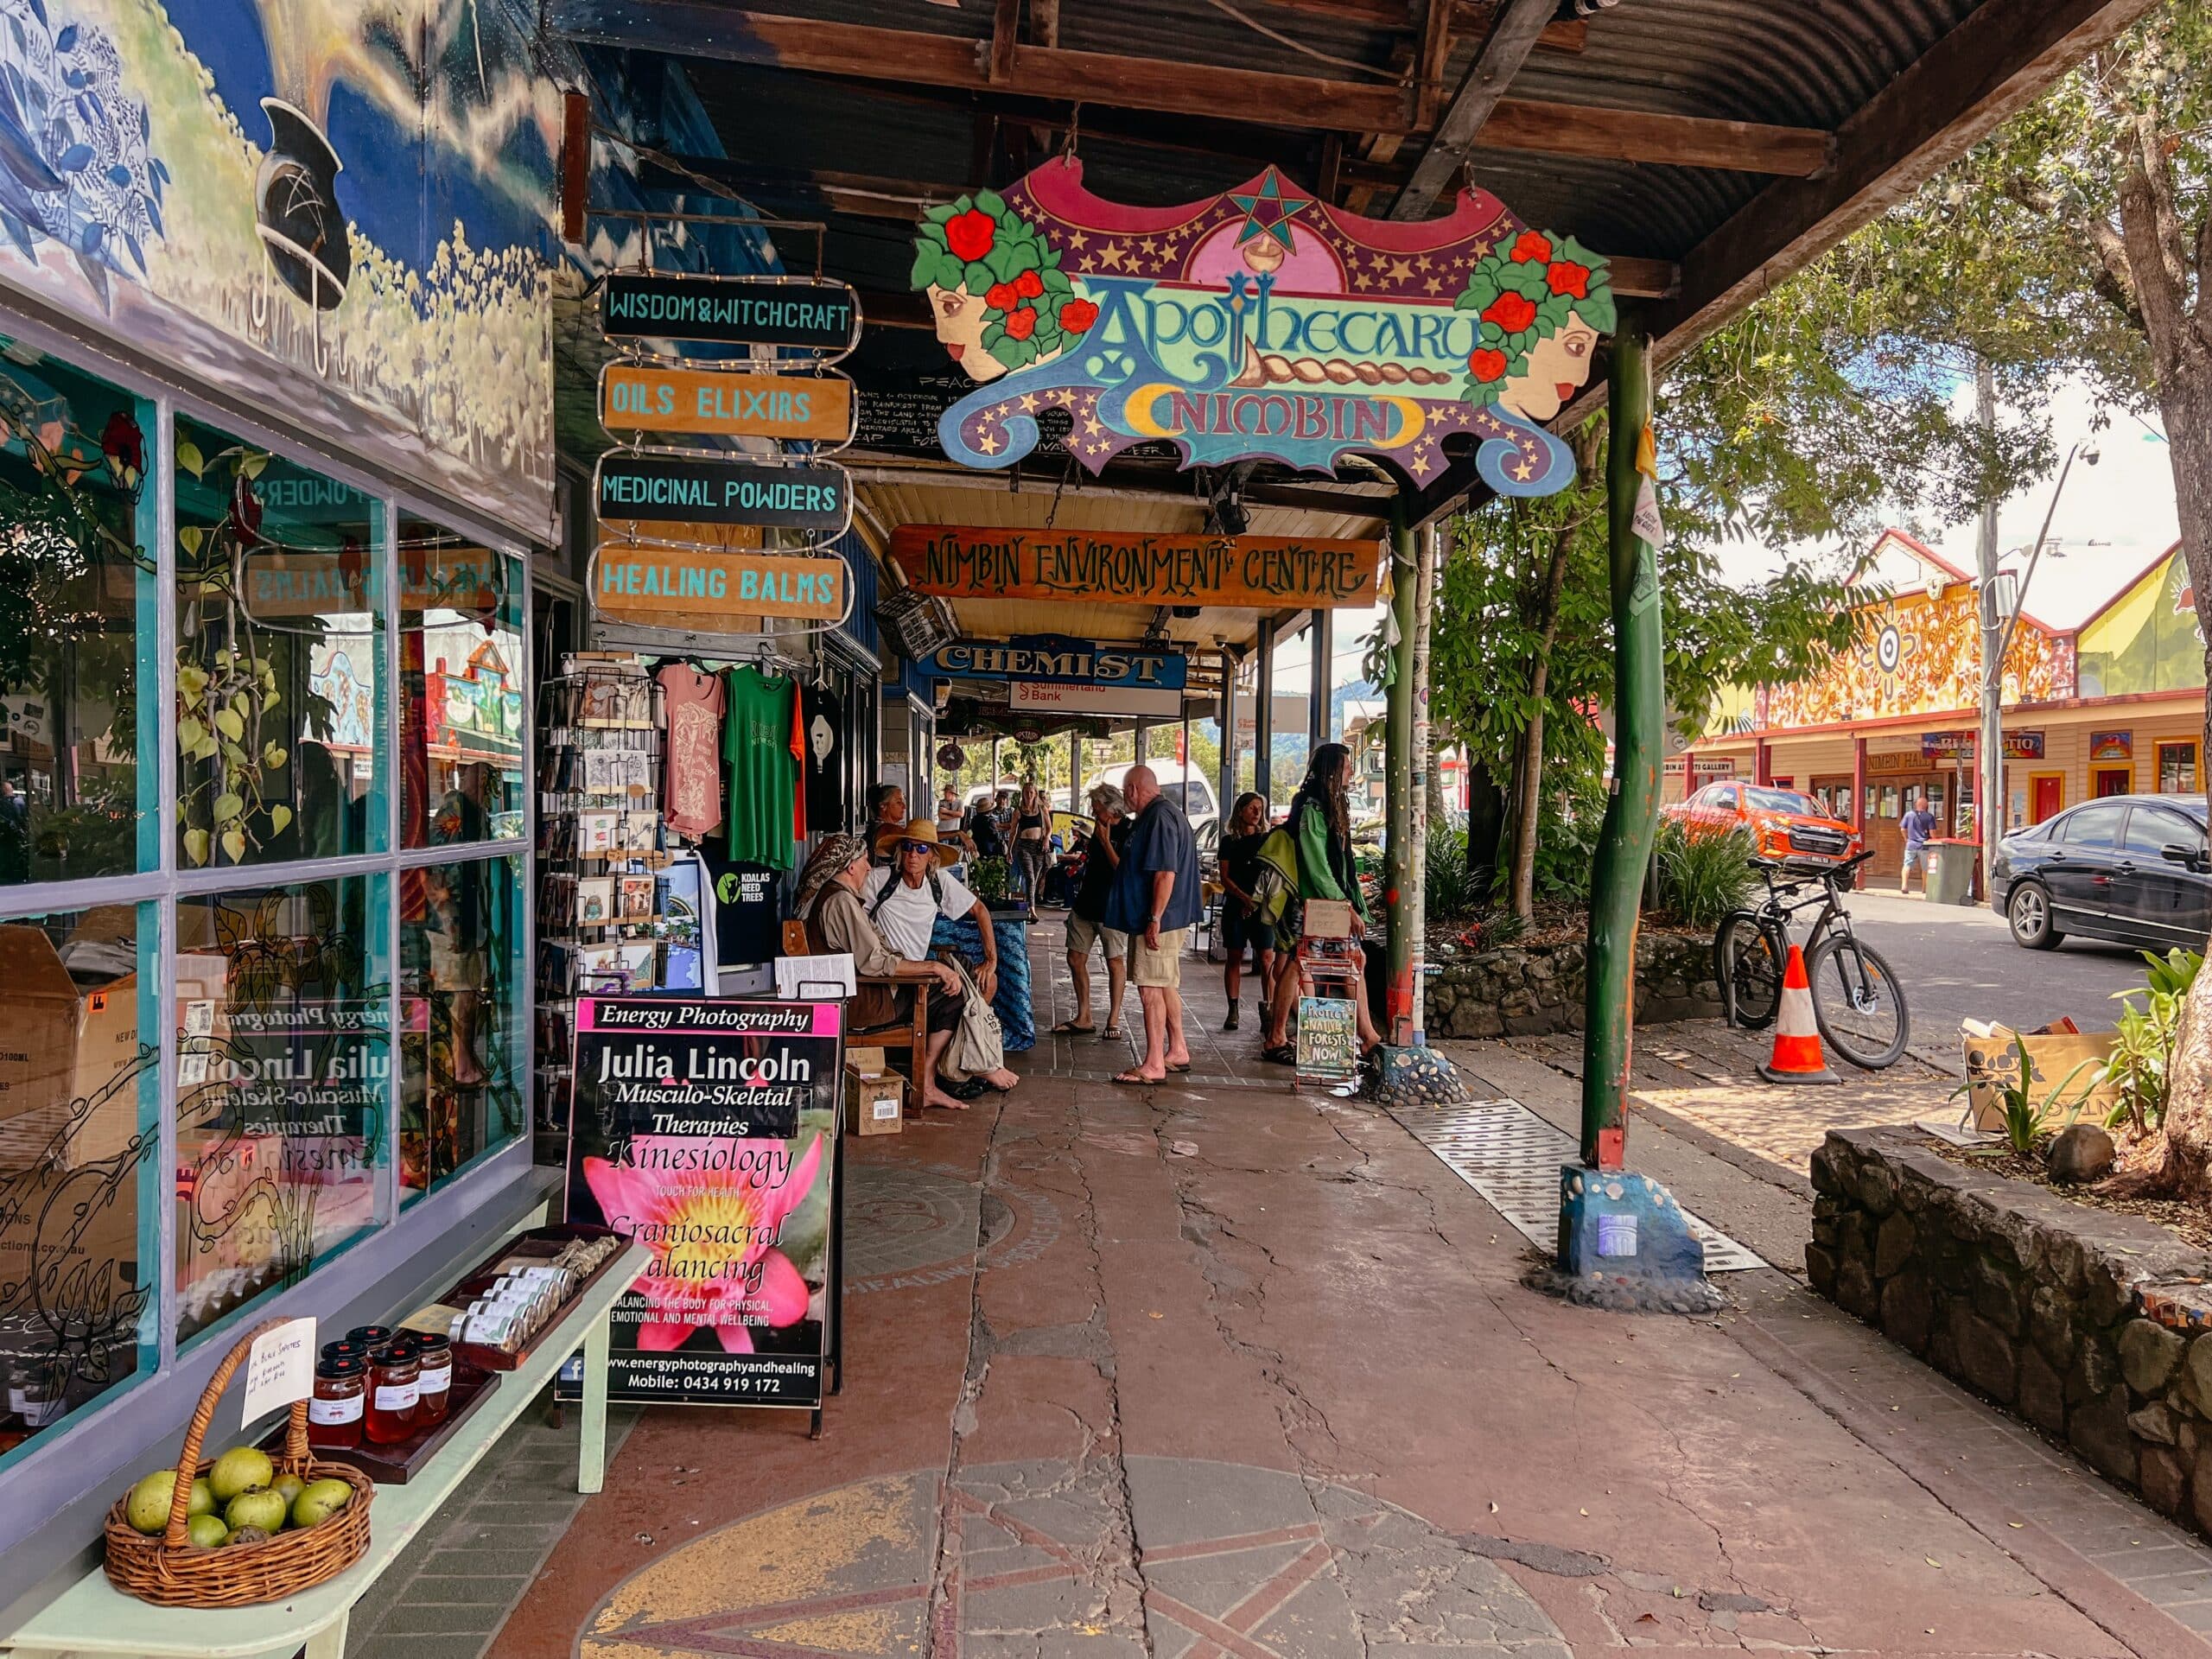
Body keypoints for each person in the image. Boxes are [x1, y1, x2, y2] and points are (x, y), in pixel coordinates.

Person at [798, 833, 1010, 1110]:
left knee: (963, 974)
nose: (868, 867)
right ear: (850, 867)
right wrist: (931, 967)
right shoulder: (841, 901)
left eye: (921, 849)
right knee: (951, 995)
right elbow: (875, 962)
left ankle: (971, 1057)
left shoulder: (841, 897)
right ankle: (930, 1083)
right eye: (864, 861)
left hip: (865, 989)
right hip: (865, 1000)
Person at [1262, 744, 1381, 1063]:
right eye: (1346, 767)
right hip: (1315, 903)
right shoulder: (1314, 809)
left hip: (1325, 903)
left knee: (1336, 963)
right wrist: (1348, 906)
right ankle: (1278, 1036)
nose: (1351, 773)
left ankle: (1367, 1036)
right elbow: (1317, 866)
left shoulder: (1324, 805)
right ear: (1332, 770)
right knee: (1302, 964)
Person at [1106, 765, 1199, 1085]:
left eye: (1125, 792)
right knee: (1164, 983)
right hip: (1165, 917)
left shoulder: (1159, 817)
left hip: (1161, 918)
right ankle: (1178, 1050)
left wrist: (1154, 918)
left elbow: (1164, 873)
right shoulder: (1163, 813)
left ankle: (1154, 1063)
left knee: (1150, 989)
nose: (1126, 799)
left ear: (1133, 789)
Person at [864, 820, 1004, 1005]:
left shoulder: (939, 881)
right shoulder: (879, 879)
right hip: (891, 971)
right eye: (907, 847)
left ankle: (966, 1033)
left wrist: (990, 961)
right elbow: (847, 907)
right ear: (900, 851)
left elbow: (979, 909)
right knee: (955, 996)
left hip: (920, 970)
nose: (913, 854)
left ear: (931, 855)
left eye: (921, 848)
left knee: (988, 982)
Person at [1053, 783, 1130, 1039]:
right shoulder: (1097, 827)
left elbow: (1124, 871)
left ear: (1112, 808)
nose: (1095, 814)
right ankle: (1084, 1015)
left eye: (1098, 810)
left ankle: (1114, 1018)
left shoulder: (1130, 830)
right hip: (1086, 902)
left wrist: (1106, 842)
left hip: (1113, 906)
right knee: (1075, 958)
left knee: (1114, 961)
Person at [1216, 791, 1276, 1033]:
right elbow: (1225, 877)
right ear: (1240, 810)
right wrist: (1244, 899)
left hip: (1262, 906)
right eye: (1251, 807)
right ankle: (1233, 1008)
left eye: (1259, 808)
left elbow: (1273, 874)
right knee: (1234, 957)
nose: (1256, 812)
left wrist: (1257, 901)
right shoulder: (1229, 842)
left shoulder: (1267, 840)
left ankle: (1269, 1009)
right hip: (1236, 905)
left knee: (1266, 958)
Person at [1012, 782, 1049, 907]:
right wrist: (1010, 850)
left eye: (1031, 792)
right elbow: (1013, 831)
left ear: (1035, 794)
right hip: (1024, 846)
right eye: (1026, 792)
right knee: (1030, 878)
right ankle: (1031, 909)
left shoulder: (1042, 809)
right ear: (1023, 794)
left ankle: (1029, 905)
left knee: (1035, 879)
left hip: (1038, 845)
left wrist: (1046, 839)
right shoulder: (1019, 811)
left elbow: (1049, 828)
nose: (1029, 795)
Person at [1899, 791, 1939, 896]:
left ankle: (1904, 886)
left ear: (1916, 805)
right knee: (1925, 868)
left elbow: (1903, 829)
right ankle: (1924, 889)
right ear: (1926, 805)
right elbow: (1932, 833)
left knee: (1907, 865)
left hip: (1910, 844)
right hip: (1924, 845)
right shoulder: (1929, 817)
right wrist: (1935, 840)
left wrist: (1906, 839)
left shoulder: (1909, 814)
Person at [867, 783, 907, 863]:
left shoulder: (878, 826)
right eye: (899, 802)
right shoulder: (887, 829)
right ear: (883, 806)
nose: (904, 806)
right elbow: (917, 837)